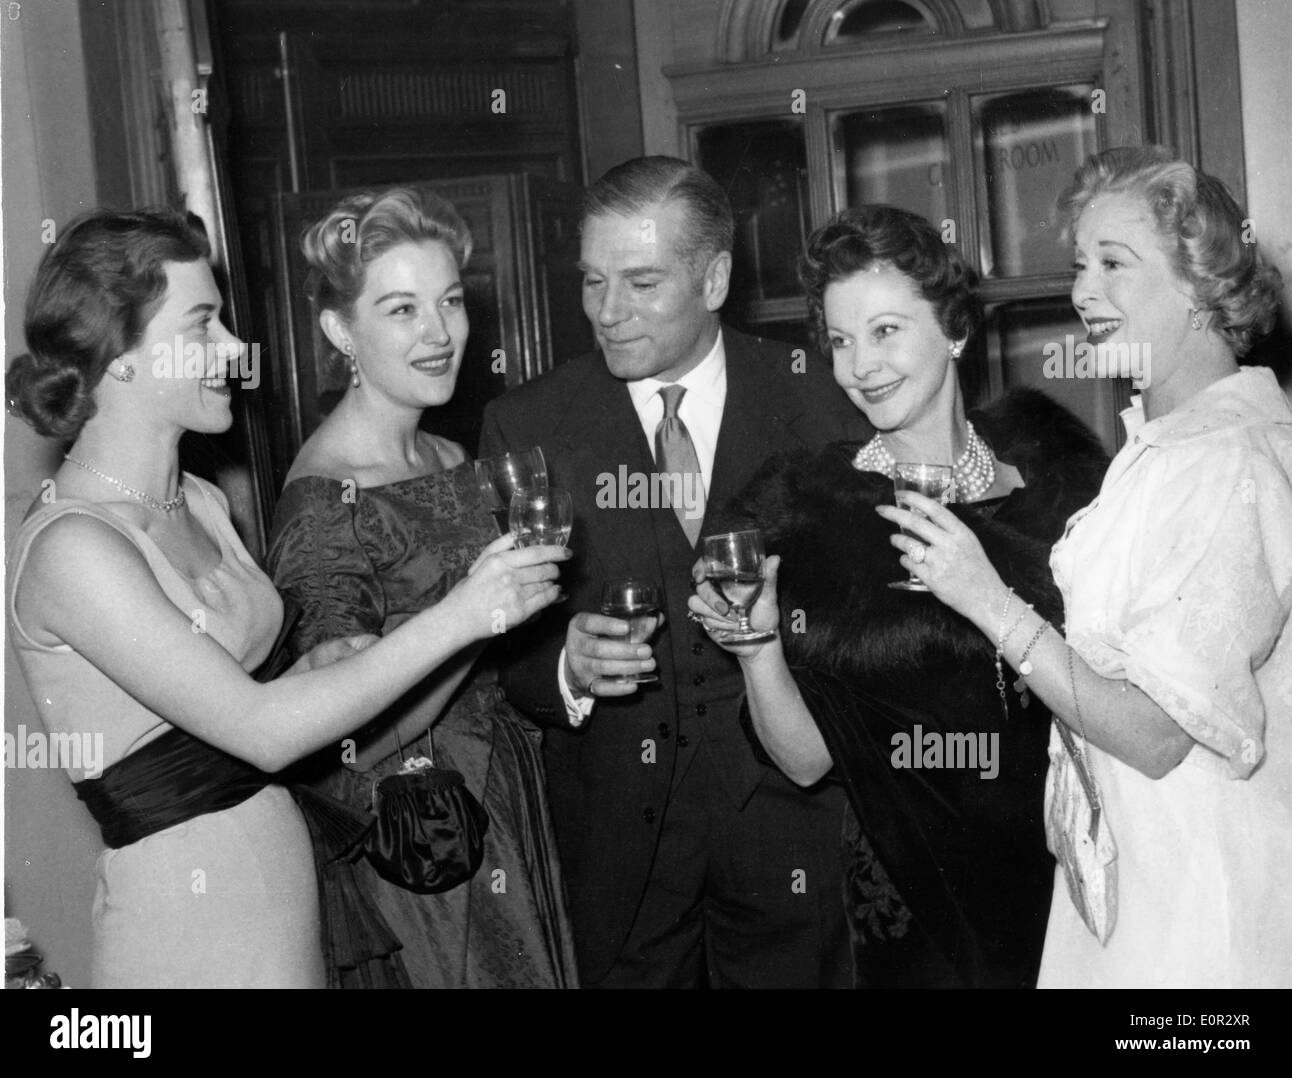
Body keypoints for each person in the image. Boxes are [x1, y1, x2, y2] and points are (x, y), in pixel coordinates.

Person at [4, 208, 566, 989]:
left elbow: (226, 711)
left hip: (286, 897)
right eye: (203, 325)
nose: (236, 350)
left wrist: (317, 673)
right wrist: (463, 616)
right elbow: (260, 734)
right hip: (188, 925)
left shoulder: (198, 501)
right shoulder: (72, 549)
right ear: (120, 355)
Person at [875, 147, 1292, 988]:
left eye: (1113, 263)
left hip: (1201, 909)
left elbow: (1150, 733)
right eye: (1079, 265)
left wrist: (988, 600)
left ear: (1200, 287)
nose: (1080, 293)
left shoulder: (1231, 464)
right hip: (1132, 880)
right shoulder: (1163, 450)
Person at [688, 204, 1110, 987]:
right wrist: (755, 650)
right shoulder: (811, 509)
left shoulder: (1061, 483)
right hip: (914, 913)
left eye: (885, 331)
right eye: (841, 342)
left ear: (953, 329)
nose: (860, 366)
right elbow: (807, 760)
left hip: (1076, 870)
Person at [479, 156, 870, 988]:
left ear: (716, 277)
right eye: (592, 282)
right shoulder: (526, 425)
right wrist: (566, 669)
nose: (607, 314)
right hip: (615, 858)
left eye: (641, 282)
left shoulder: (824, 403)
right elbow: (498, 652)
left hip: (794, 843)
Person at [266, 186, 579, 989]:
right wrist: (470, 624)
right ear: (342, 330)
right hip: (426, 845)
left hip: (508, 801)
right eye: (402, 310)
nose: (440, 334)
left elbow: (503, 646)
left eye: (448, 302)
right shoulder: (325, 500)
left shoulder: (450, 458)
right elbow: (347, 747)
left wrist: (564, 650)